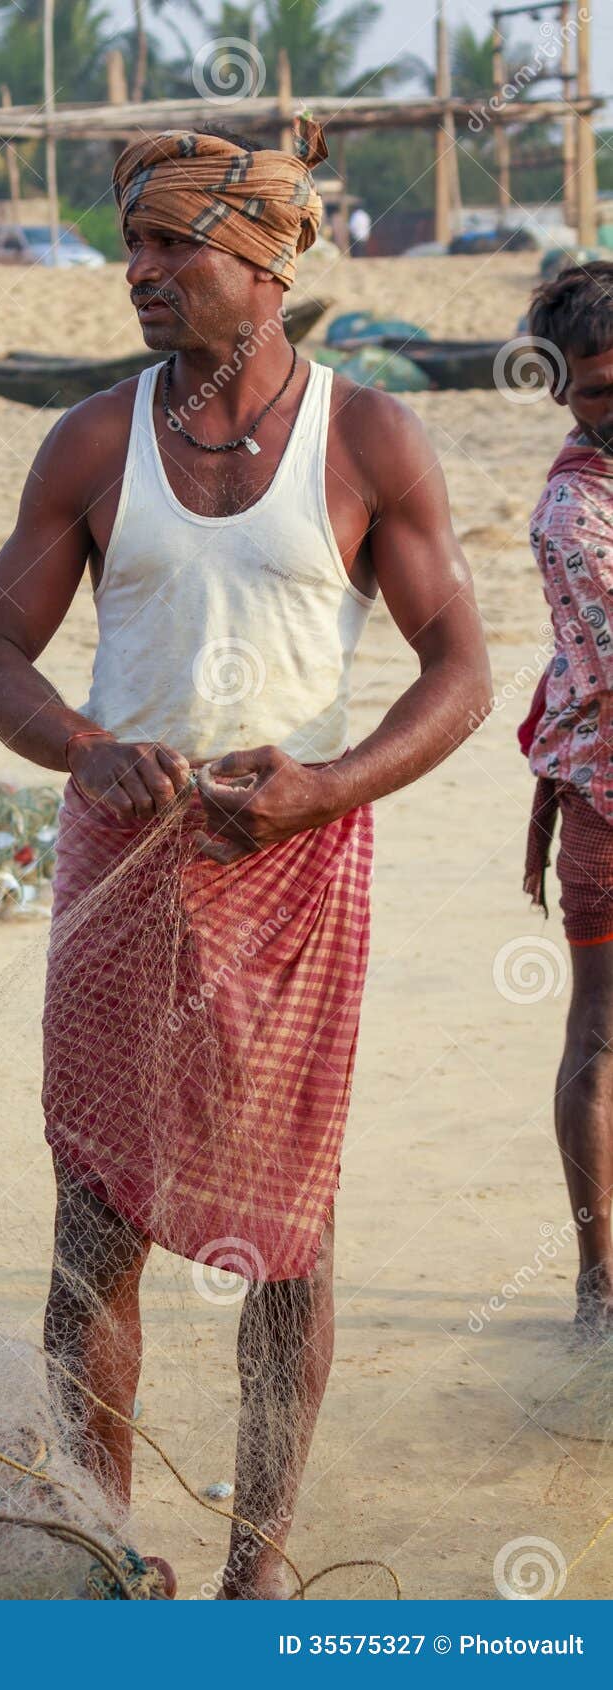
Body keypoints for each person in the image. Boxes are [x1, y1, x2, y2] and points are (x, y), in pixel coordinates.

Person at [0, 121, 490, 1598]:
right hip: (121, 868)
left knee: (287, 1235)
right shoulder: (87, 439)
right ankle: (105, 1540)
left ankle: (258, 1566)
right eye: (129, 245)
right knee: (94, 1223)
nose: (135, 273)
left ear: (260, 261)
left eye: (167, 245)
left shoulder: (369, 436)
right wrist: (84, 747)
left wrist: (328, 785)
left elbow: (455, 670)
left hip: (294, 870)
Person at [519, 262, 613, 1333]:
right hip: (601, 800)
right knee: (597, 1035)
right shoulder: (568, 515)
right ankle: (596, 1279)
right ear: (557, 392)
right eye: (594, 388)